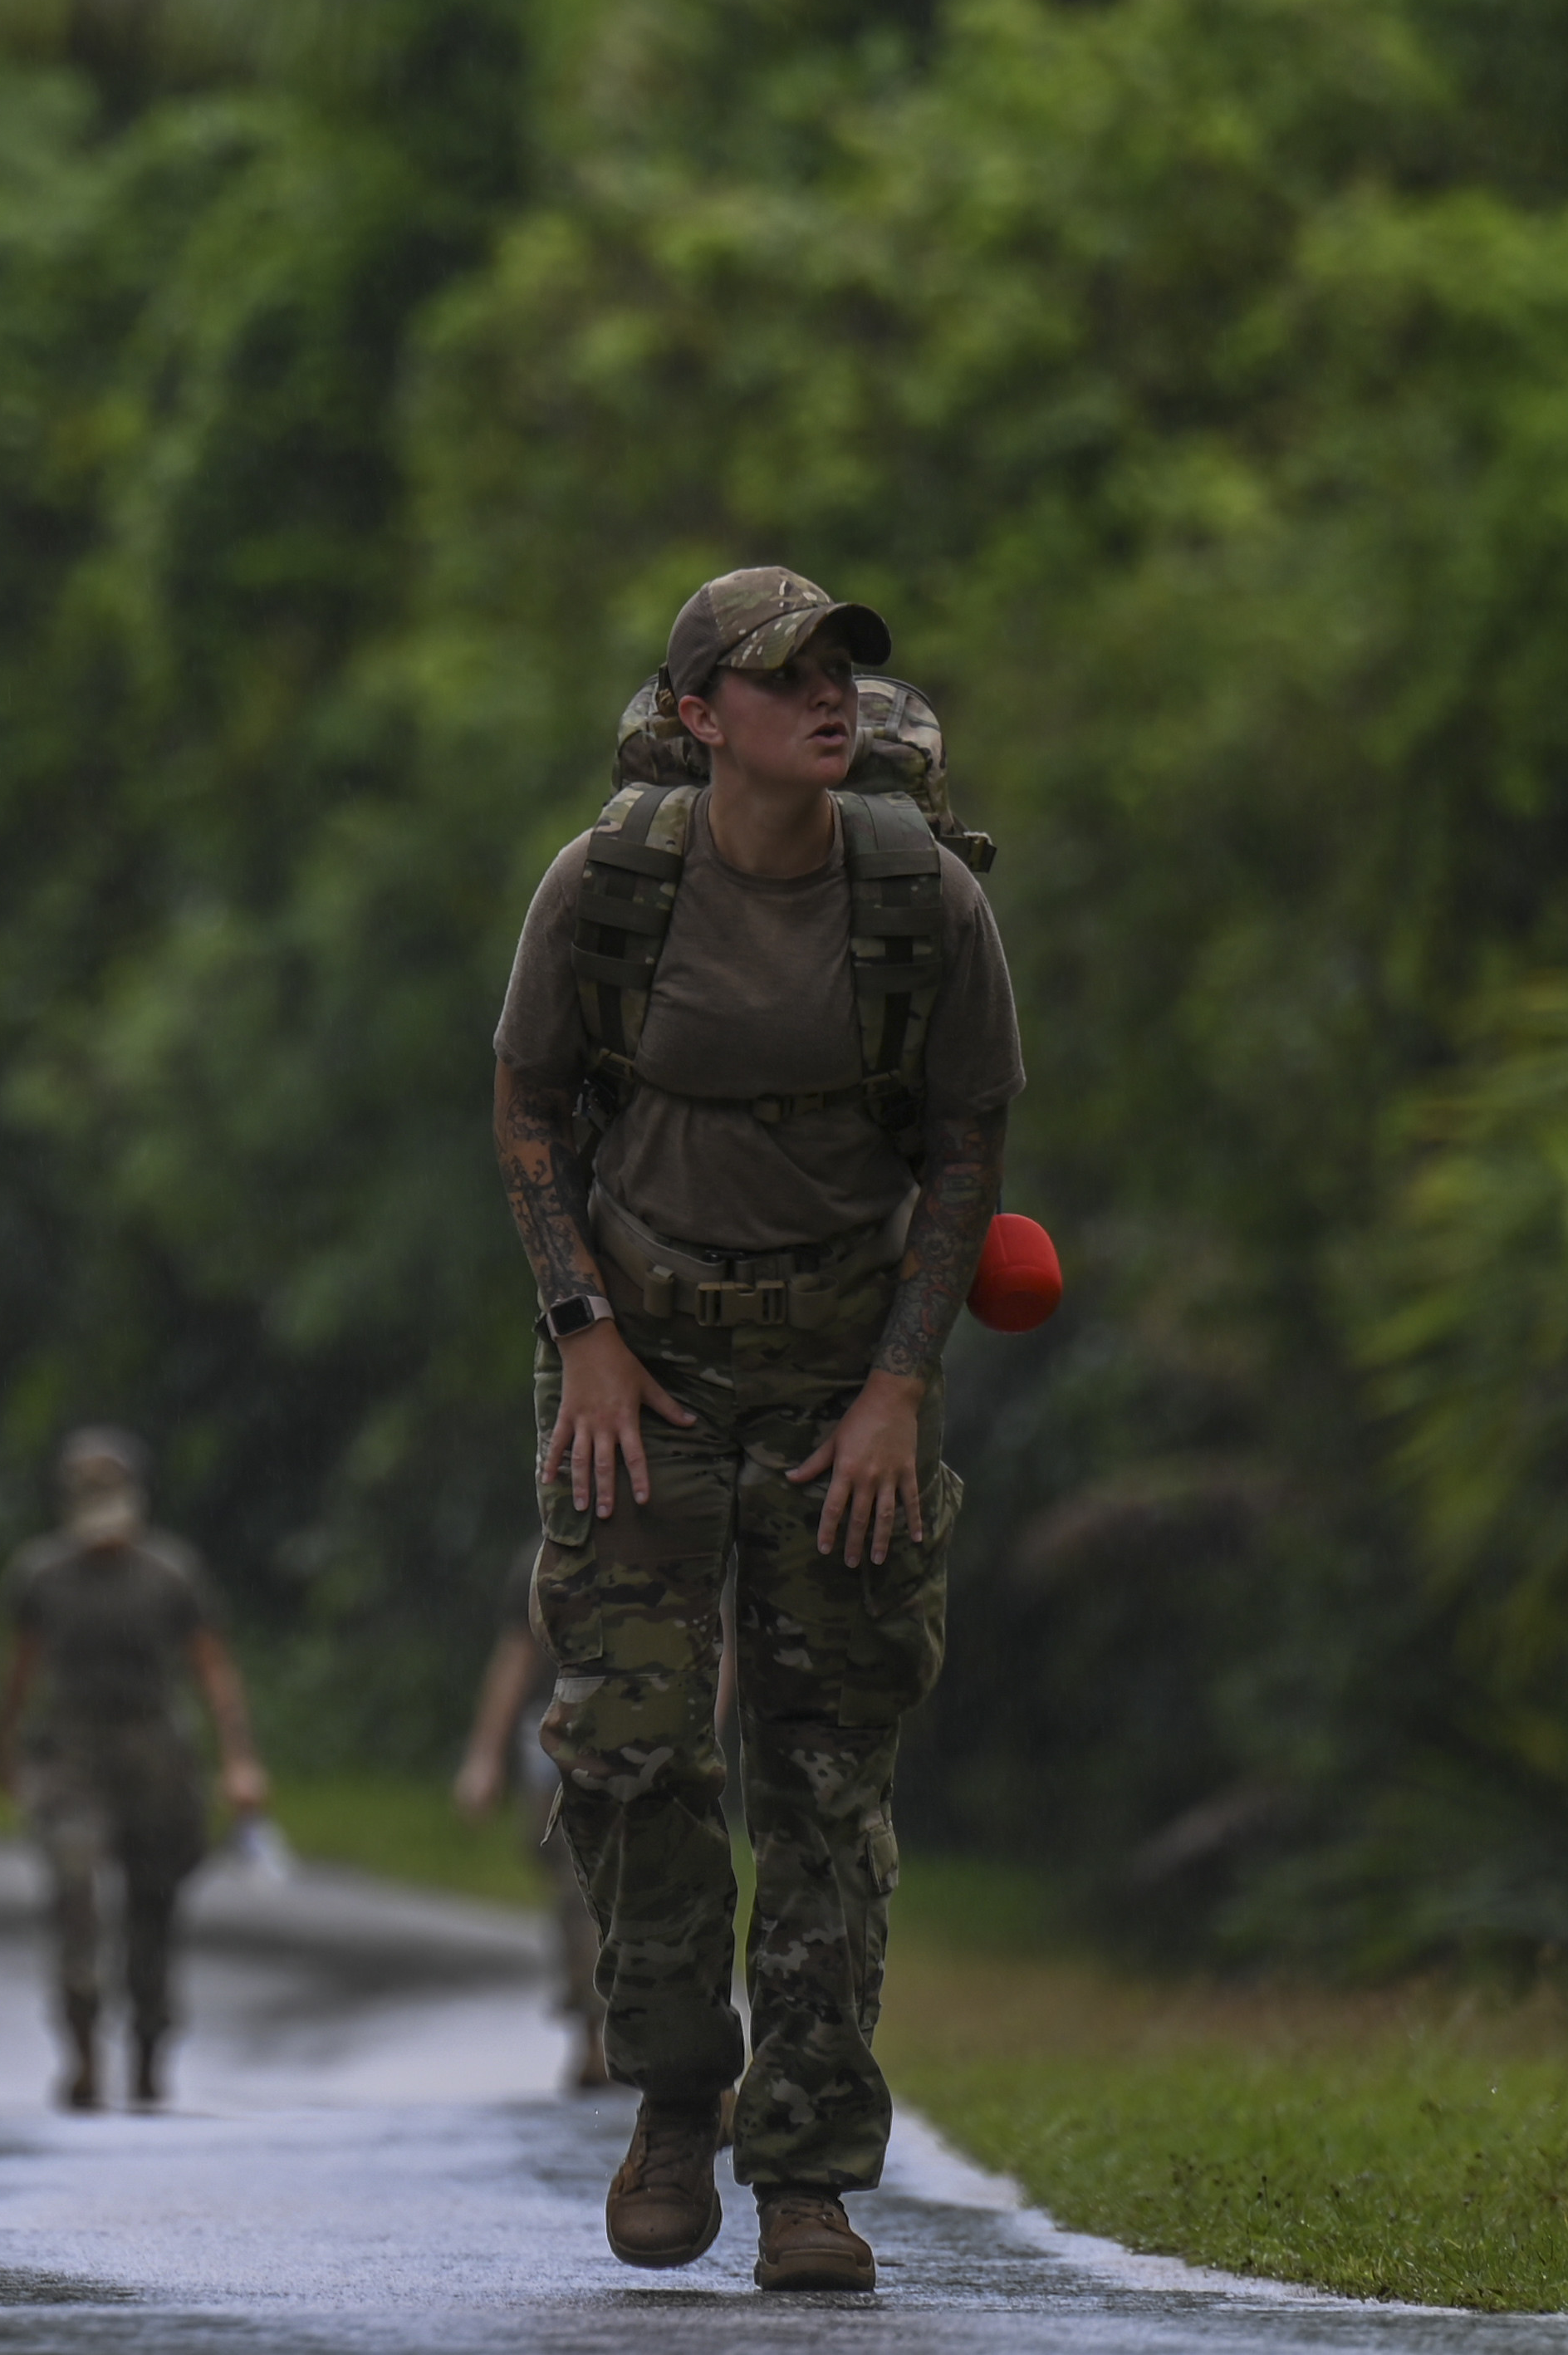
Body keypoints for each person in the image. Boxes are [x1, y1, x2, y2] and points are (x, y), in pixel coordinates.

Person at [490, 564, 1022, 2295]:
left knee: (822, 1780)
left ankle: (806, 2177)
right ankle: (670, 2094)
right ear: (701, 712)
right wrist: (578, 1331)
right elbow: (526, 1105)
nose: (828, 696)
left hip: (837, 1382)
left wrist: (895, 1388)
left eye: (843, 670)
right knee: (629, 1752)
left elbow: (963, 1151)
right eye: (784, 671)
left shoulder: (924, 900)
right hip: (636, 1373)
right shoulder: (612, 885)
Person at [0, 1428, 267, 2114]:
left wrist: (239, 1760)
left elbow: (212, 1669)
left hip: (153, 1754)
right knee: (73, 1891)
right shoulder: (42, 1577)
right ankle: (82, 2051)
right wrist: (4, 1744)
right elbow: (21, 1668)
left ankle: (147, 2051)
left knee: (153, 1908)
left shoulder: (170, 1575)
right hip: (72, 1753)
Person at [452, 1538, 609, 2093]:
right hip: (560, 1752)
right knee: (577, 1893)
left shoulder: (682, 1535)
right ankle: (595, 2034)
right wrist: (483, 1759)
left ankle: (640, 2031)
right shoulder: (547, 1559)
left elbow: (716, 1646)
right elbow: (515, 1659)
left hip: (650, 1745)